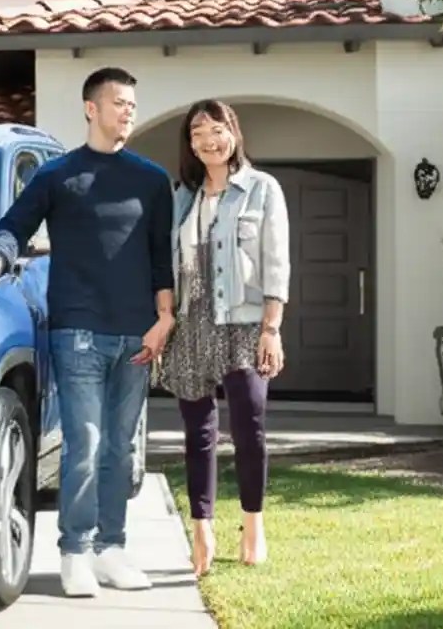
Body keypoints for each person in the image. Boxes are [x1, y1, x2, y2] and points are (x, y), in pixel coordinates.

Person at [0, 67, 176, 598]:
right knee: (85, 446)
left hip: (137, 337)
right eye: (119, 102)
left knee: (121, 450)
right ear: (91, 107)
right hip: (78, 334)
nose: (128, 111)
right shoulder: (58, 176)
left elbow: (162, 257)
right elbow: (12, 228)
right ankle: (74, 552)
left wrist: (164, 318)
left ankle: (111, 550)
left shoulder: (152, 180)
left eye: (133, 103)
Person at [158, 99, 290, 576]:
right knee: (198, 434)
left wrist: (271, 328)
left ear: (233, 133)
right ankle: (202, 530)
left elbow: (277, 262)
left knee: (249, 426)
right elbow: (166, 265)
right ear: (189, 144)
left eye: (216, 130)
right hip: (192, 324)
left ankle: (252, 524)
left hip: (245, 321)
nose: (207, 141)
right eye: (197, 133)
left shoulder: (261, 189)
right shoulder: (181, 196)